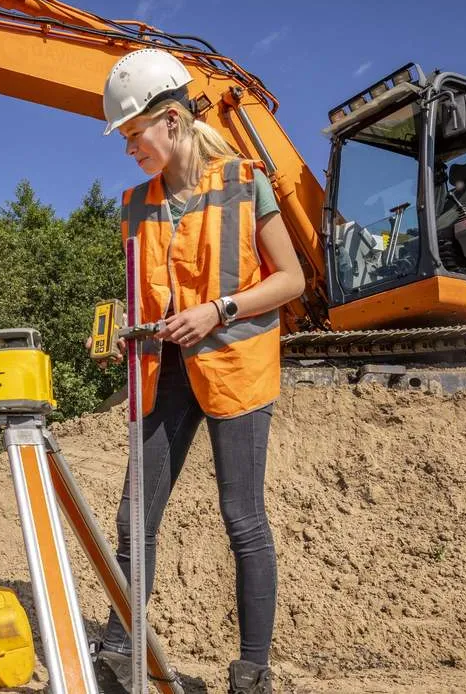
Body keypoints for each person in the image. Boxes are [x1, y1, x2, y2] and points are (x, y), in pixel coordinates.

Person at [89, 49, 306, 694]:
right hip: (163, 371)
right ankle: (125, 653)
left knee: (242, 515)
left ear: (174, 122)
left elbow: (291, 280)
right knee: (135, 516)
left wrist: (218, 310)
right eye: (125, 138)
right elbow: (145, 292)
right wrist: (117, 328)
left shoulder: (245, 180)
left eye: (135, 135)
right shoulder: (134, 205)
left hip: (235, 365)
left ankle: (252, 672)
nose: (130, 149)